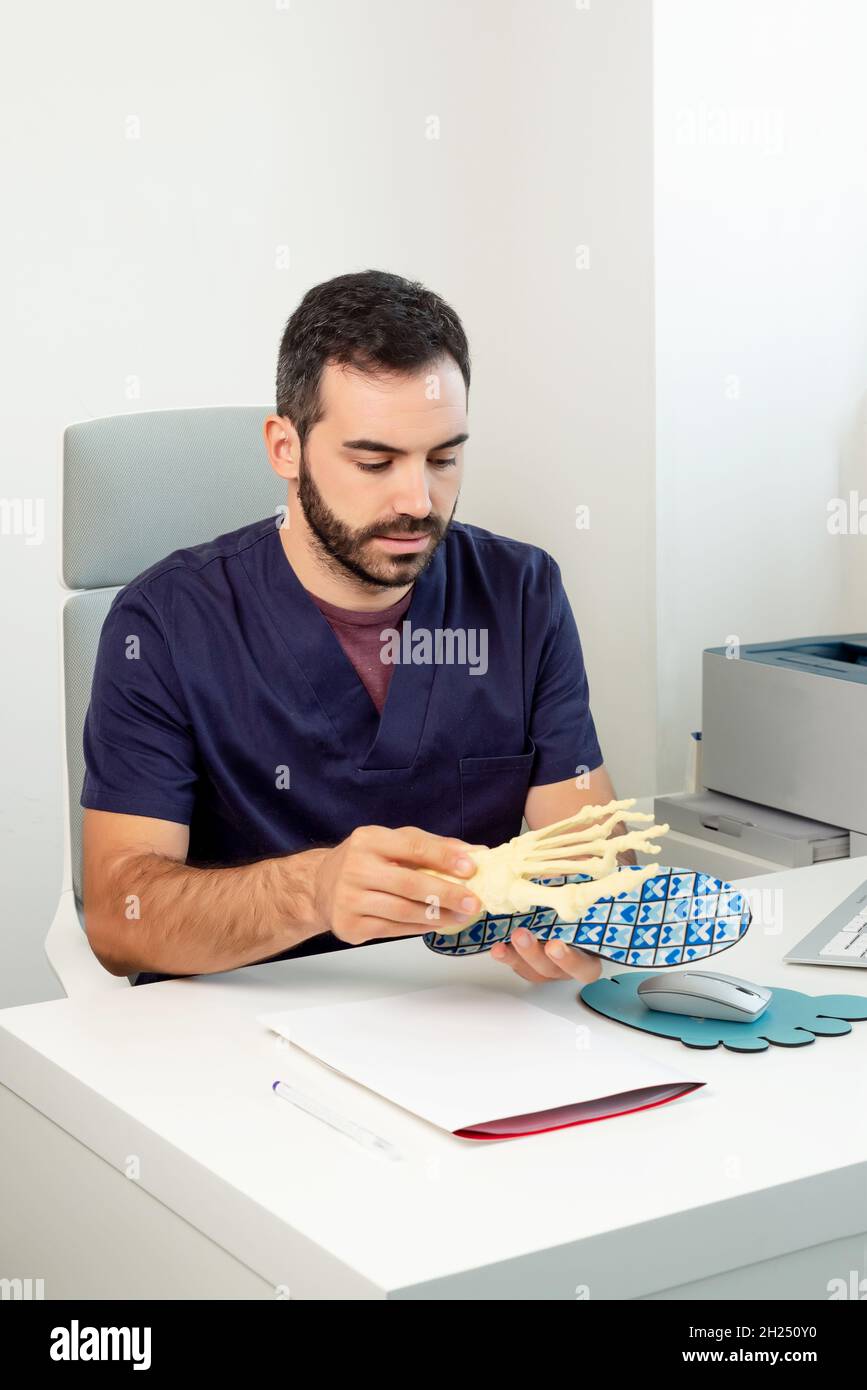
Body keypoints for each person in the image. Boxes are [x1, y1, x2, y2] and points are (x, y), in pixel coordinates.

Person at [81, 269, 629, 988]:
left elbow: (589, 854)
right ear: (284, 447)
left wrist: (590, 918)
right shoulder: (163, 625)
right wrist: (312, 890)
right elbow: (120, 921)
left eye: (443, 458)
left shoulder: (520, 595)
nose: (416, 500)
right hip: (234, 1031)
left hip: (465, 1012)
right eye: (374, 461)